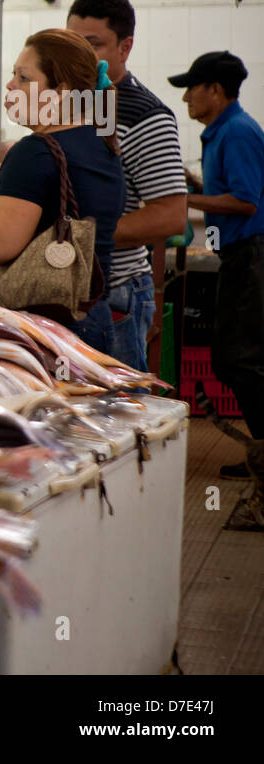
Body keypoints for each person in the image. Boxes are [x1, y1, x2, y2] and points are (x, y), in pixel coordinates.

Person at [0, 29, 126, 351]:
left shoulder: (36, 151)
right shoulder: (102, 146)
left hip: (42, 331)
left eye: (24, 78)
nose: (11, 86)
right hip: (92, 323)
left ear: (61, 93)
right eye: (13, 75)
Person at [66, 0, 187, 372]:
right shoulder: (72, 105)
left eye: (94, 45)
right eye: (72, 44)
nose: (81, 57)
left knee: (114, 412)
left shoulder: (147, 117)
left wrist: (84, 236)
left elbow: (169, 218)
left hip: (115, 292)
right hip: (68, 288)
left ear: (125, 46)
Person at [171, 51, 264, 507]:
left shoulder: (238, 132)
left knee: (241, 360)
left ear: (217, 91)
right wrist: (196, 190)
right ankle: (260, 454)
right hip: (239, 255)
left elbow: (246, 202)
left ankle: (263, 457)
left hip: (252, 255)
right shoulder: (222, 132)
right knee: (233, 360)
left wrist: (186, 201)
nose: (187, 96)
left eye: (193, 87)